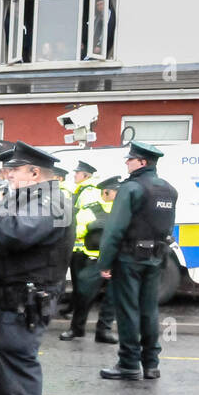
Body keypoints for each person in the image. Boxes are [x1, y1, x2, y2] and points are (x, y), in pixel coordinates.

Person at [0, 140, 75, 395]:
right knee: (11, 362)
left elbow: (16, 234)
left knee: (19, 363)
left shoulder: (52, 202)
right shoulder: (32, 197)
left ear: (34, 172)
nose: (8, 176)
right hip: (13, 294)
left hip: (25, 297)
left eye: (14, 170)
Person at [97, 141, 178, 381]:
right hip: (156, 258)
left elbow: (114, 230)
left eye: (130, 159)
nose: (127, 162)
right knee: (149, 310)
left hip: (129, 258)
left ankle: (129, 364)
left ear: (142, 162)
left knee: (128, 311)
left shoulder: (131, 188)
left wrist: (105, 262)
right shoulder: (169, 190)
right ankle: (151, 364)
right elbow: (167, 226)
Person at [61, 176, 120, 342]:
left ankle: (104, 331)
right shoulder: (90, 210)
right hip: (94, 260)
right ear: (106, 192)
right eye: (117, 192)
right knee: (83, 295)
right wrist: (89, 226)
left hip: (116, 261)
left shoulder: (122, 210)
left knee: (112, 298)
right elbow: (77, 232)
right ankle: (76, 329)